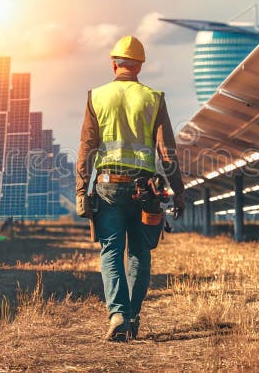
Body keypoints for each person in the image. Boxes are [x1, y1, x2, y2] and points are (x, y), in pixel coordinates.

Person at [76, 35, 185, 342]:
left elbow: (86, 149)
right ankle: (133, 317)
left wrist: (81, 190)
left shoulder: (96, 96)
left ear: (114, 64)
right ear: (139, 66)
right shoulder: (153, 97)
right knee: (139, 253)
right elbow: (168, 153)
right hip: (145, 190)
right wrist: (179, 191)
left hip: (108, 186)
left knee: (111, 250)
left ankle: (118, 314)